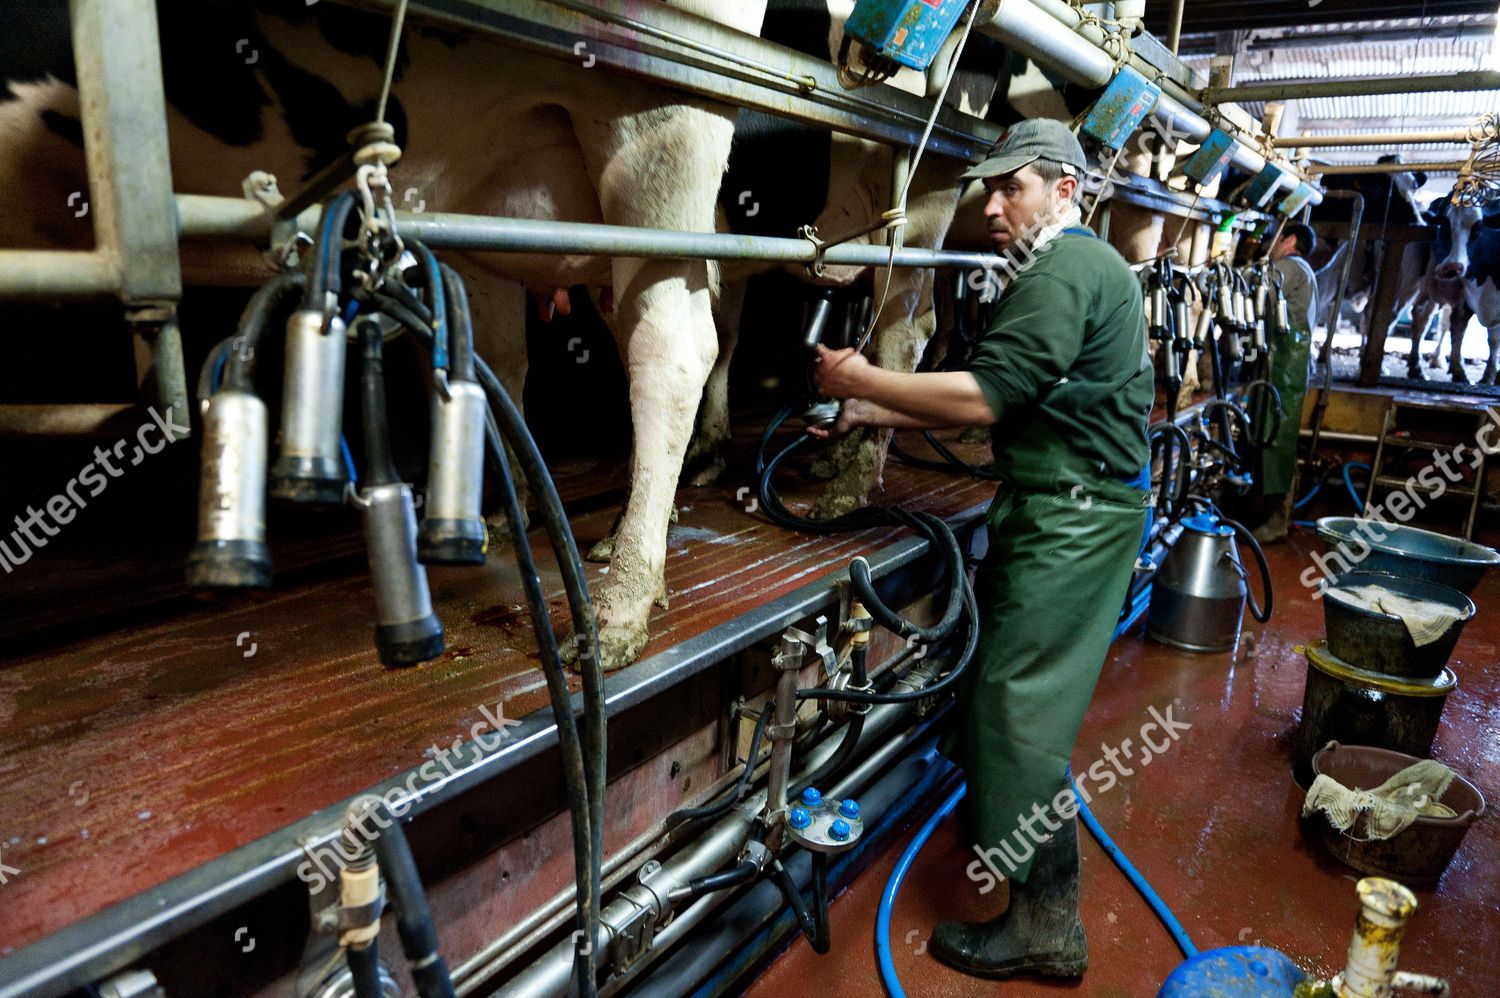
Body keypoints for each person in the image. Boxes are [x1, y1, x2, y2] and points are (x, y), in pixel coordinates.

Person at [811, 118, 1152, 981]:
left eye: (1014, 188)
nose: (992, 206)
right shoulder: (1070, 267)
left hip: (1074, 517)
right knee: (1005, 693)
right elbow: (1016, 393)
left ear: (1067, 189)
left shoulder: (1068, 265)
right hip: (1060, 505)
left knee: (1017, 712)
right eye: (989, 188)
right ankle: (1010, 837)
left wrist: (858, 379)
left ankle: (1047, 924)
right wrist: (878, 412)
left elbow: (985, 395)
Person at [1252, 222, 1318, 543]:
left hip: (1287, 363)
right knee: (1272, 434)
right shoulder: (1301, 269)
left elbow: (1258, 296)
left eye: (1275, 238)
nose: (1270, 244)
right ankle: (1270, 513)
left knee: (1277, 438)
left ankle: (1277, 521)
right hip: (1286, 362)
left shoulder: (1289, 267)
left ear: (1290, 240)